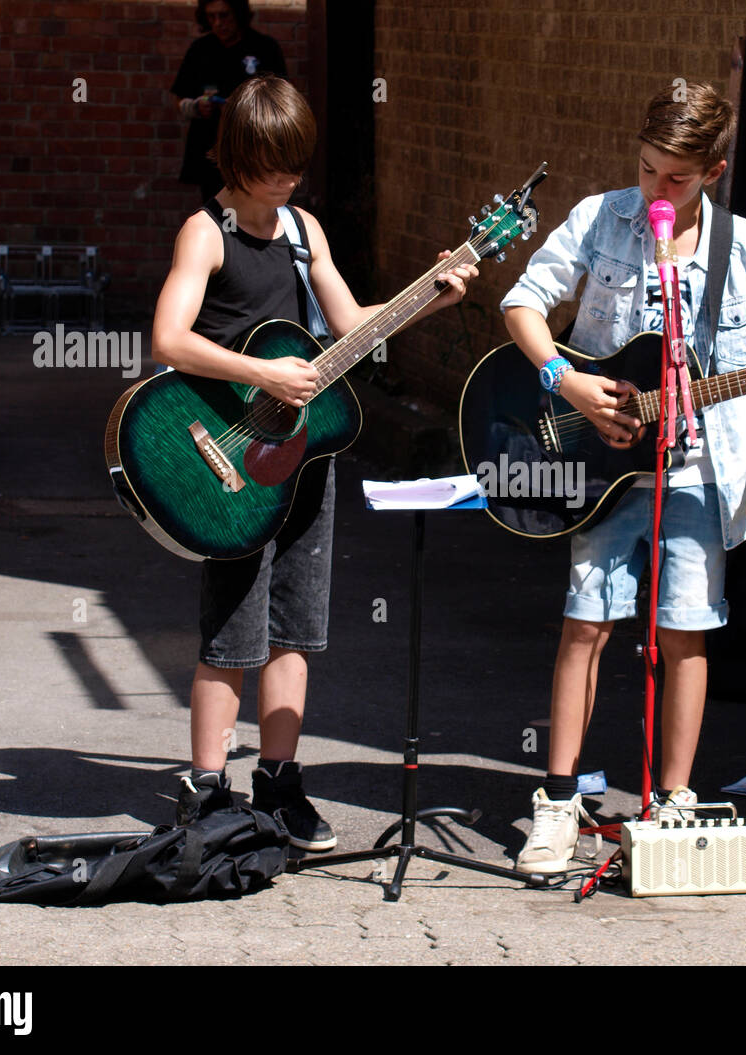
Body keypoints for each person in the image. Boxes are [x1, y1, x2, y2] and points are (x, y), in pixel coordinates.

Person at [499, 82, 746, 874]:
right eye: (646, 168)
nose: (655, 187)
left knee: (685, 626)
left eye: (675, 177)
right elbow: (524, 302)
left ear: (714, 171)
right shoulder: (601, 217)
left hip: (701, 466)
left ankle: (673, 802)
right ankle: (559, 802)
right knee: (587, 620)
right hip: (604, 461)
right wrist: (565, 378)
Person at [151, 75, 476, 856]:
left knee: (296, 630)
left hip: (301, 458)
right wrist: (263, 374)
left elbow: (354, 326)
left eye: (296, 165)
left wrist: (430, 297)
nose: (286, 181)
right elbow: (168, 338)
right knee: (230, 630)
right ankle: (205, 792)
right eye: (271, 166)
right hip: (223, 457)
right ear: (236, 157)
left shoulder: (305, 231)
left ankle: (280, 781)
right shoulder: (207, 232)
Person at [171, 0, 287, 201]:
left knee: (253, 208)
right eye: (211, 17)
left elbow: (282, 100)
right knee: (220, 213)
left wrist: (242, 110)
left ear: (238, 14)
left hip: (254, 148)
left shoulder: (264, 48)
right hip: (211, 150)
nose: (218, 23)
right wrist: (197, 107)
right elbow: (180, 98)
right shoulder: (200, 50)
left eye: (224, 15)